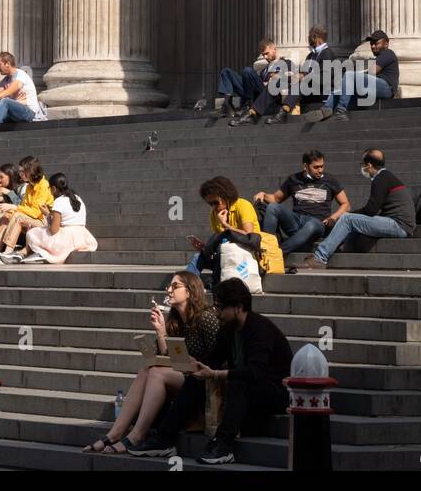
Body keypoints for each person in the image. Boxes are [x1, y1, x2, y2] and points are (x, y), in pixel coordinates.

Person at [127, 277, 292, 464]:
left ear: (238, 307)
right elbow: (212, 361)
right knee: (197, 379)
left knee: (239, 383)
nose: (217, 312)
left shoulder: (259, 328)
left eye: (221, 307)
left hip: (275, 390)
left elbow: (255, 372)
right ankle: (164, 438)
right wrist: (195, 364)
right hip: (245, 384)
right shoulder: (228, 329)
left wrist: (215, 374)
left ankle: (223, 444)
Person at [83, 270, 220, 455]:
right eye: (168, 286)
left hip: (203, 381)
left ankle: (137, 435)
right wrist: (160, 331)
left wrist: (197, 363)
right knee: (146, 371)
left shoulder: (206, 318)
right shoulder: (175, 320)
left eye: (175, 286)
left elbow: (220, 358)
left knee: (155, 372)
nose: (169, 290)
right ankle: (115, 433)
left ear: (190, 291)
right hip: (183, 378)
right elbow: (168, 356)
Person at [303, 149, 415, 269]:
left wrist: (350, 215)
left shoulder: (380, 179)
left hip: (398, 225)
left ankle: (320, 257)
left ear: (369, 165)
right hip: (400, 224)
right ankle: (343, 248)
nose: (363, 168)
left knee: (347, 219)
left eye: (363, 165)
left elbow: (371, 210)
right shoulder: (386, 177)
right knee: (352, 219)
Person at [255, 149, 350, 255]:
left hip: (317, 224)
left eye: (322, 166)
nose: (320, 170)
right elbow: (276, 199)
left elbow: (346, 204)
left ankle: (275, 253)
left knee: (312, 224)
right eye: (316, 167)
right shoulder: (293, 179)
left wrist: (333, 217)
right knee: (272, 207)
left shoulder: (330, 180)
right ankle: (267, 245)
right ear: (305, 166)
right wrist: (263, 194)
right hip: (296, 221)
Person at [310, 30, 400, 123]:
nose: (373, 46)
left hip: (387, 88)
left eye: (377, 43)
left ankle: (340, 112)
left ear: (386, 44)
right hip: (375, 87)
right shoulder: (381, 56)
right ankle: (325, 110)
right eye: (371, 44)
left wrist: (353, 78)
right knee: (339, 91)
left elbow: (371, 72)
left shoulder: (387, 53)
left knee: (349, 76)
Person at [186, 176, 260, 286]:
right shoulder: (214, 215)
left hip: (246, 255)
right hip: (226, 255)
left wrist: (225, 225)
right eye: (210, 204)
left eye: (216, 202)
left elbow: (249, 236)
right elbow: (220, 240)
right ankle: (184, 286)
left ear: (226, 196)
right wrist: (206, 248)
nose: (214, 207)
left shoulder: (243, 205)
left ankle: (214, 284)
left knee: (222, 254)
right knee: (198, 257)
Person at [0, 156, 52, 263]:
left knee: (17, 215)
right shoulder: (29, 187)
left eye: (22, 171)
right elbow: (24, 206)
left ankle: (6, 253)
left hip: (44, 221)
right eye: (20, 171)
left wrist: (14, 207)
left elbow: (36, 212)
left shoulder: (43, 185)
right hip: (29, 219)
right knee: (7, 215)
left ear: (30, 170)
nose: (20, 174)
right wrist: (9, 210)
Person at [265, 24, 338, 125]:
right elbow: (302, 74)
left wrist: (305, 77)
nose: (308, 38)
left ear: (316, 37)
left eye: (310, 36)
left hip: (322, 92)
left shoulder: (327, 53)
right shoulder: (310, 55)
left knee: (301, 83)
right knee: (278, 81)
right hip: (308, 90)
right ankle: (254, 111)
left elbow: (324, 79)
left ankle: (283, 112)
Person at [22, 173, 98, 265]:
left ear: (53, 188)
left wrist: (46, 222)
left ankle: (39, 254)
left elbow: (54, 230)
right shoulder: (77, 198)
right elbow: (68, 218)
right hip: (83, 237)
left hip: (66, 239)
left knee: (32, 233)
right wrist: (48, 213)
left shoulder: (59, 201)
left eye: (49, 188)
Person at [224, 40, 290, 127]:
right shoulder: (264, 70)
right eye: (263, 55)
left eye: (267, 53)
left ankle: (248, 107)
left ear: (274, 49)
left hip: (272, 102)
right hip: (259, 98)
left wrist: (276, 78)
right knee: (227, 72)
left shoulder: (286, 63)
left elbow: (291, 78)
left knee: (248, 71)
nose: (265, 57)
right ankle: (228, 105)